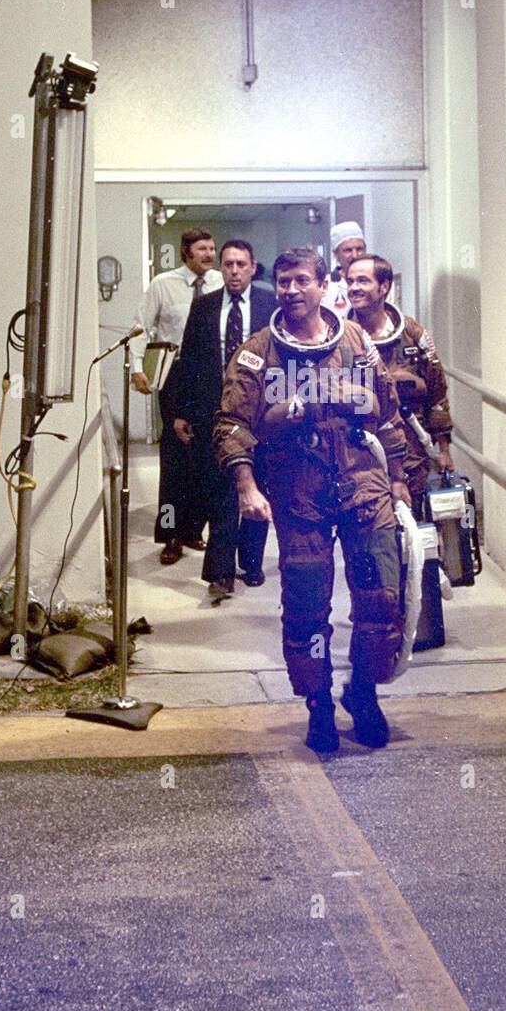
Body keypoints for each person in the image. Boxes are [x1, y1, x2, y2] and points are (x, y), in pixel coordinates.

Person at [213, 246, 410, 754]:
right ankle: (319, 703)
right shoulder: (258, 353)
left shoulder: (355, 338)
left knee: (381, 597)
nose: (292, 290)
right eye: (283, 282)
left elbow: (387, 411)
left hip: (363, 484)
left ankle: (362, 692)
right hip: (298, 490)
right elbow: (232, 424)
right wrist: (247, 485)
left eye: (302, 280)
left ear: (325, 286)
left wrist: (403, 478)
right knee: (305, 606)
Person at [174, 239, 274, 603]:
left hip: (261, 414)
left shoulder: (269, 304)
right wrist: (183, 411)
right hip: (215, 413)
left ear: (251, 267)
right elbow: (189, 361)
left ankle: (251, 562)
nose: (234, 271)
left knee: (255, 485)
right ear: (221, 267)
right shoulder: (203, 307)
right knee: (220, 492)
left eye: (241, 264)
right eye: (228, 264)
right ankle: (219, 573)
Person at [130, 227, 222, 565]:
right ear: (187, 252)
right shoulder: (163, 285)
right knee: (174, 461)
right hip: (175, 375)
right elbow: (140, 327)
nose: (209, 255)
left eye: (212, 248)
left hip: (209, 377)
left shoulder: (220, 284)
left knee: (204, 457)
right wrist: (137, 368)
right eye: (202, 249)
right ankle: (169, 532)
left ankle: (193, 530)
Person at [345, 253, 453, 516]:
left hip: (410, 451)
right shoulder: (338, 336)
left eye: (363, 281)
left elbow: (437, 392)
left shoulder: (412, 335)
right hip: (359, 454)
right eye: (350, 281)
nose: (354, 288)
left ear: (384, 287)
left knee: (414, 530)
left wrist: (444, 450)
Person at [327, 221, 366, 318]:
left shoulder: (377, 281)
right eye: (348, 250)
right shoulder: (326, 285)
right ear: (336, 254)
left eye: (359, 249)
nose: (355, 255)